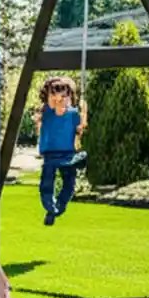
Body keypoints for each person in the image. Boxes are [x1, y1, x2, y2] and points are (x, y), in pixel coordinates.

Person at [34, 76, 88, 225]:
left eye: (64, 96)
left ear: (70, 96)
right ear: (48, 98)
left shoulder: (73, 114)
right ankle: (50, 208)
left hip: (67, 155)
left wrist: (83, 115)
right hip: (50, 155)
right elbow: (48, 108)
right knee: (47, 184)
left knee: (69, 184)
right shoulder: (46, 112)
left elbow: (81, 127)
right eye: (55, 95)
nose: (60, 99)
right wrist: (53, 101)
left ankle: (58, 207)